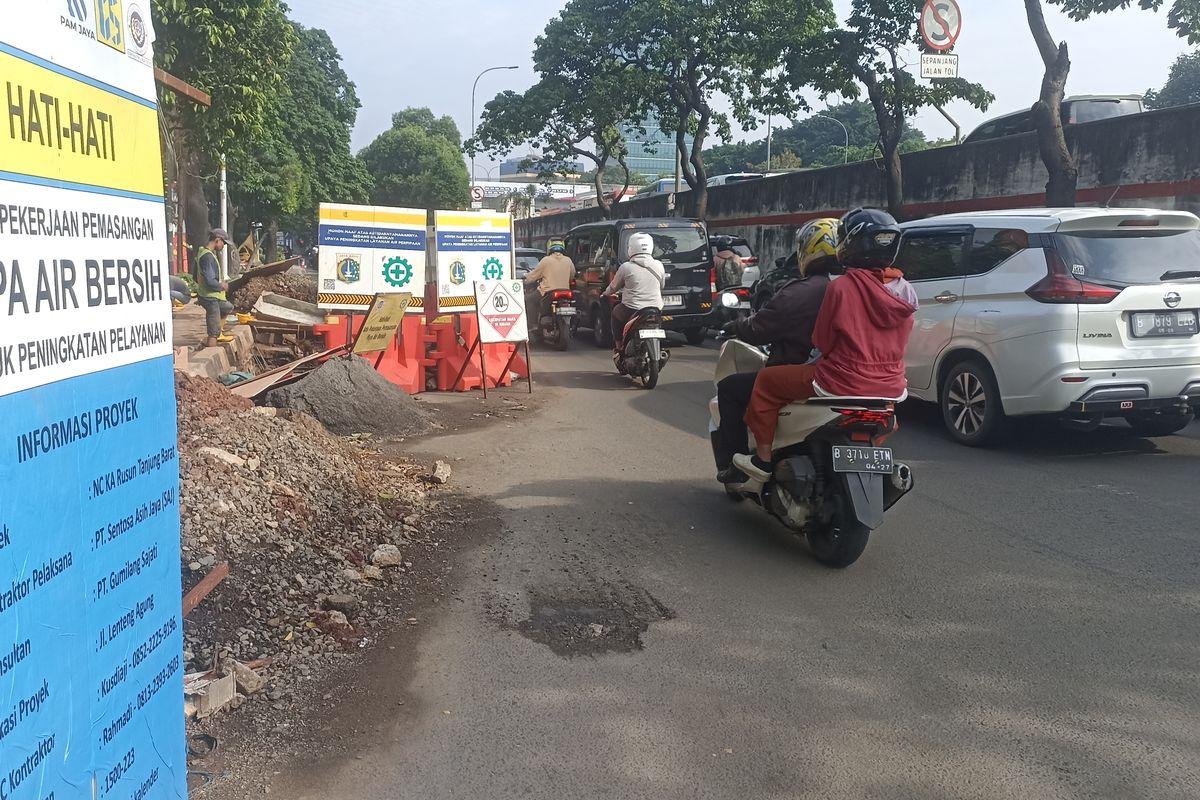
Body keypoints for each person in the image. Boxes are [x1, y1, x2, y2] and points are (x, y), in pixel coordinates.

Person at [732, 208, 919, 483]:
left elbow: (823, 341)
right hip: (892, 386)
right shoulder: (907, 291)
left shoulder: (841, 287)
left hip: (840, 380)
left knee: (766, 381)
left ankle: (763, 459)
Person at [714, 219, 840, 482]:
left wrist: (736, 326)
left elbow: (761, 326)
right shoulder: (854, 290)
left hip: (806, 372)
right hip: (862, 380)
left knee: (730, 388)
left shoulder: (800, 292)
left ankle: (741, 464)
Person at [602, 231, 665, 350]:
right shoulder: (659, 265)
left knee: (615, 312)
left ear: (631, 248)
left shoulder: (626, 267)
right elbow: (662, 285)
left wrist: (605, 293)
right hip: (655, 308)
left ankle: (619, 348)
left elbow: (613, 287)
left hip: (632, 308)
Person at [194, 228, 234, 347]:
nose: (223, 246)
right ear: (217, 240)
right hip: (210, 297)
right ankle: (212, 346)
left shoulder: (204, 253)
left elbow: (195, 276)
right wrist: (222, 286)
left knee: (227, 307)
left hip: (211, 295)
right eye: (223, 243)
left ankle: (218, 333)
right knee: (213, 330)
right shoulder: (208, 257)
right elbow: (210, 281)